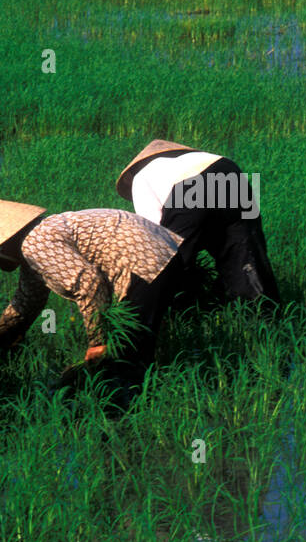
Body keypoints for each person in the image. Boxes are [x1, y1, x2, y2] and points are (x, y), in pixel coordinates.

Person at [0, 202, 183, 413]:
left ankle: (125, 415)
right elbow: (26, 303)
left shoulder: (36, 243)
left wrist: (98, 340)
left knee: (125, 358)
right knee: (131, 349)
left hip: (144, 262)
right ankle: (136, 404)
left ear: (5, 243)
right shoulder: (39, 240)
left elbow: (89, 283)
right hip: (166, 251)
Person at [116, 140, 280, 307]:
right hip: (230, 170)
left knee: (168, 261)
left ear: (131, 174)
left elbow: (154, 233)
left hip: (191, 185)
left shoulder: (139, 177)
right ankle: (263, 314)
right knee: (245, 249)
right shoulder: (192, 158)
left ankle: (159, 314)